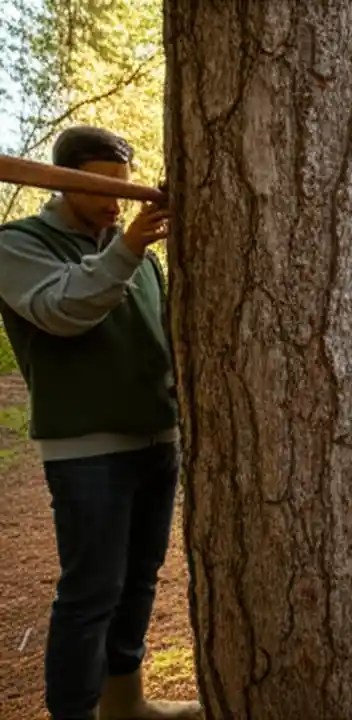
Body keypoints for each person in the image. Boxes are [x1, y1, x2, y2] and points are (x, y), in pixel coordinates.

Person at [0, 126, 201, 720]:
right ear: (63, 182)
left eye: (123, 187)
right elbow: (63, 311)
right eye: (99, 186)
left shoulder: (136, 254)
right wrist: (129, 248)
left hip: (156, 439)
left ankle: (125, 704)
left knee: (140, 582)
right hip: (86, 451)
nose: (116, 202)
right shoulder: (17, 244)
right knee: (90, 596)